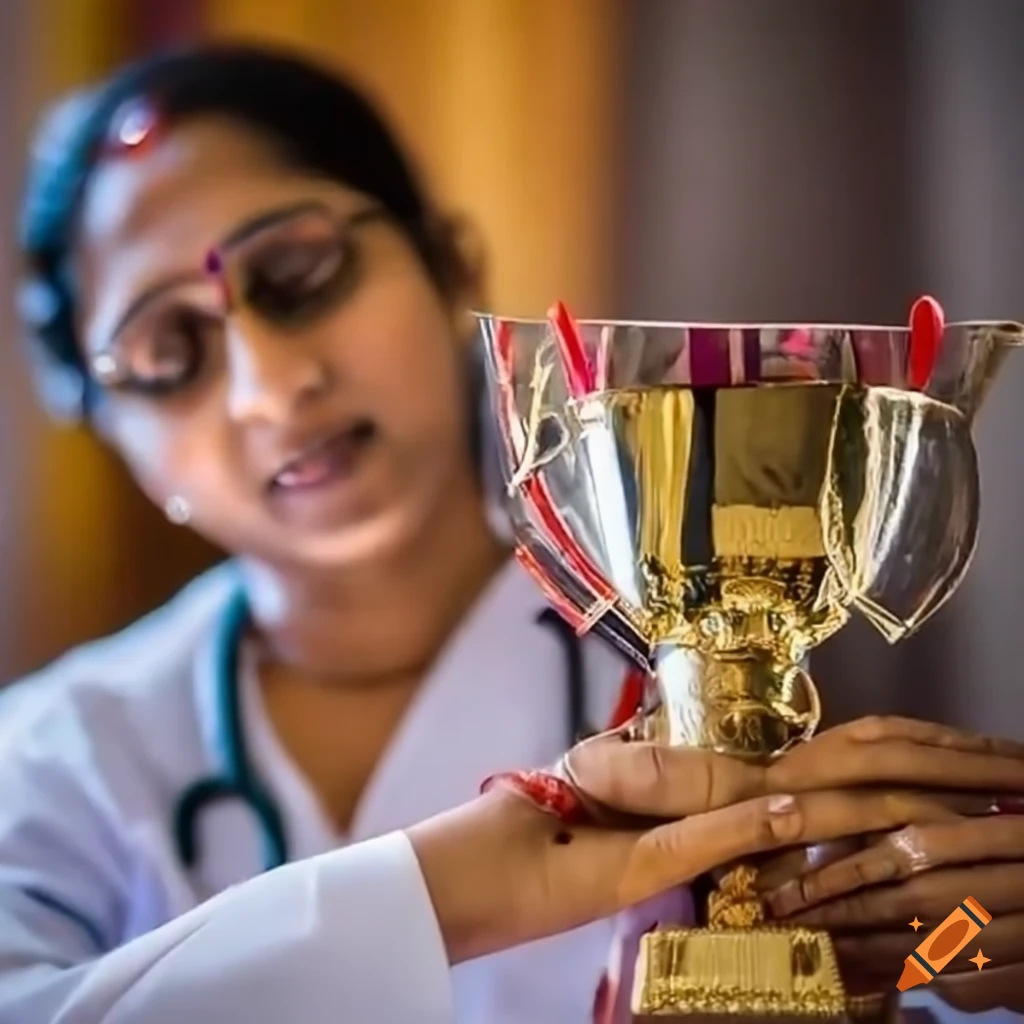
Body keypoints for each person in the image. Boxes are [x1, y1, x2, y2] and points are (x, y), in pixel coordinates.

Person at [3, 42, 1023, 1023]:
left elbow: (917, 973)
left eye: (300, 273)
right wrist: (439, 897)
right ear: (108, 431)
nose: (272, 387)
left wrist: (971, 953)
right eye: (166, 348)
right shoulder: (54, 761)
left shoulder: (720, 658)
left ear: (451, 264)